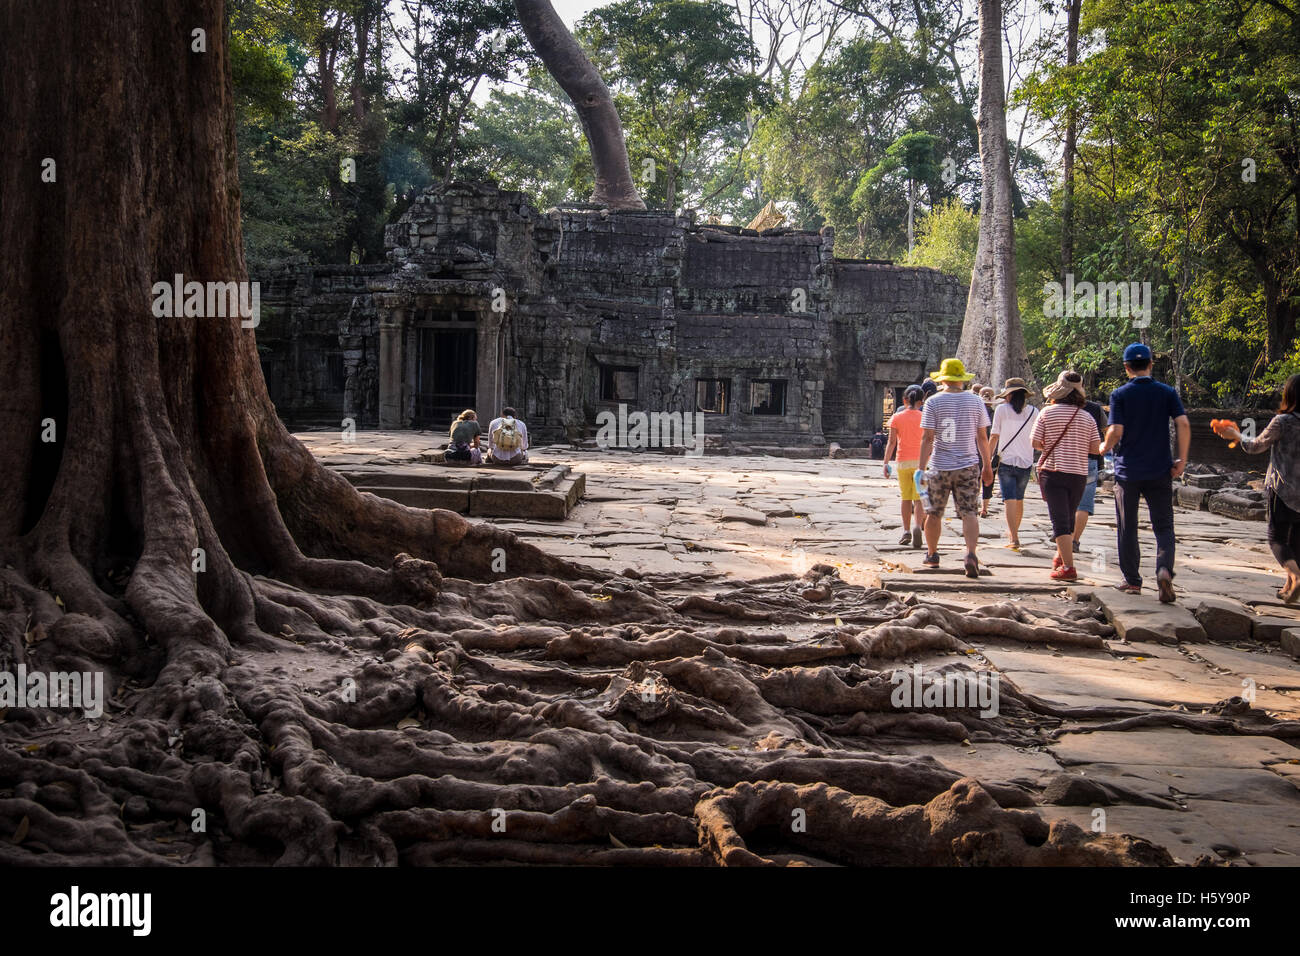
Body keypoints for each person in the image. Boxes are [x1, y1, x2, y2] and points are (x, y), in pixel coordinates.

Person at [1099, 343, 1190, 602]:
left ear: (1126, 367)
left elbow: (1116, 430)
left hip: (1128, 472)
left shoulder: (1120, 394)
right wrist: (1181, 460)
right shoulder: (1167, 392)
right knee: (1163, 526)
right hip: (1160, 469)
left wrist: (1104, 446)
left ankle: (1132, 580)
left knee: (1127, 526)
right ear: (1151, 364)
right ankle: (1163, 570)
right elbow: (1182, 422)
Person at [1218, 374, 1300, 602]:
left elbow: (1255, 447)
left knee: (1277, 539)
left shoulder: (1282, 422)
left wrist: (1235, 434)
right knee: (1296, 541)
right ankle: (1288, 587)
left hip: (1283, 489)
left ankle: (1296, 577)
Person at [918, 358, 995, 578]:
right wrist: (987, 465)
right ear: (962, 380)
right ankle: (971, 554)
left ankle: (932, 554)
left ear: (943, 379)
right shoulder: (976, 402)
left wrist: (921, 468)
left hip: (940, 465)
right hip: (968, 465)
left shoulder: (933, 402)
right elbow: (982, 437)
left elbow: (927, 438)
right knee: (970, 512)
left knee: (933, 513)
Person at [1032, 372, 1102, 581]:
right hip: (1078, 474)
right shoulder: (1087, 417)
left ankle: (1069, 568)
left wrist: (1052, 446)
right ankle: (1061, 557)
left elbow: (1035, 442)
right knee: (1069, 516)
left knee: (1060, 520)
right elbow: (1095, 449)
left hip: (1053, 472)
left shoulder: (1047, 413)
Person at [989, 378, 1038, 549]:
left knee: (1009, 499)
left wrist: (988, 460)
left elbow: (994, 435)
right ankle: (1013, 532)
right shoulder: (1034, 412)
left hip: (1006, 460)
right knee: (1019, 499)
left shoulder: (1001, 410)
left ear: (1008, 395)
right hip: (1025, 461)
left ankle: (1013, 537)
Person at [883, 385, 925, 548]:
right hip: (921, 462)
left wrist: (886, 462)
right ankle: (918, 527)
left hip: (902, 462)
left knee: (906, 498)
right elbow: (929, 440)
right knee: (919, 498)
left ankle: (906, 530)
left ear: (904, 400)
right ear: (922, 401)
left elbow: (892, 442)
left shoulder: (897, 417)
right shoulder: (925, 417)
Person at [1073, 384, 1110, 553]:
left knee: (1062, 500)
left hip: (1063, 459)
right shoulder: (1094, 409)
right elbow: (1107, 430)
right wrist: (1104, 448)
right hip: (1089, 459)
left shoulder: (1055, 407)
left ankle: (1063, 534)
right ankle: (1074, 540)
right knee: (1084, 504)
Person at [978, 386, 998, 516]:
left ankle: (973, 503)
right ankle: (984, 507)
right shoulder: (996, 414)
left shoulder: (976, 413)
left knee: (975, 479)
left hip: (976, 450)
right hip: (993, 451)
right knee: (988, 480)